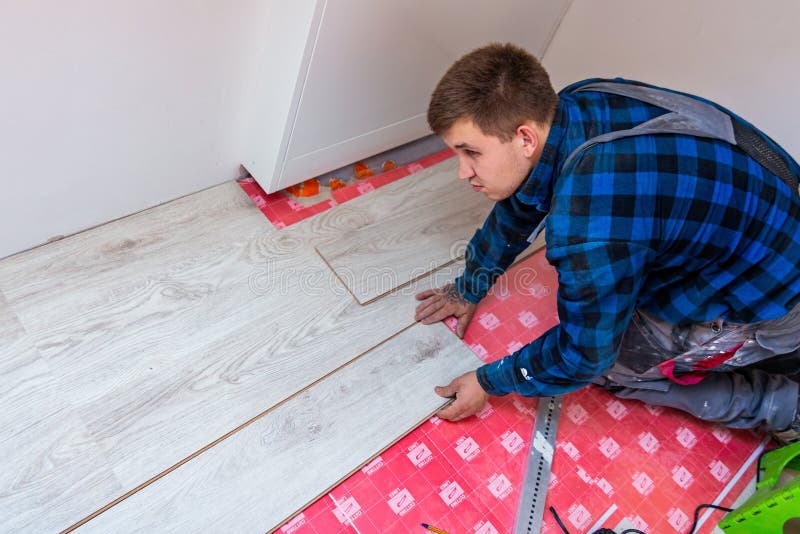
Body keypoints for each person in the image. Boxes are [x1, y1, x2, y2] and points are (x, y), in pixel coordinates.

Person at [414, 43, 800, 444]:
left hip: (776, 295)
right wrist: (473, 283)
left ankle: (786, 406)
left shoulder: (589, 219)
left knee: (609, 367)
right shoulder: (576, 102)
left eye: (471, 152)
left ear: (524, 138)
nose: (462, 172)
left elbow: (583, 356)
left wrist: (490, 380)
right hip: (768, 229)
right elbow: (523, 201)